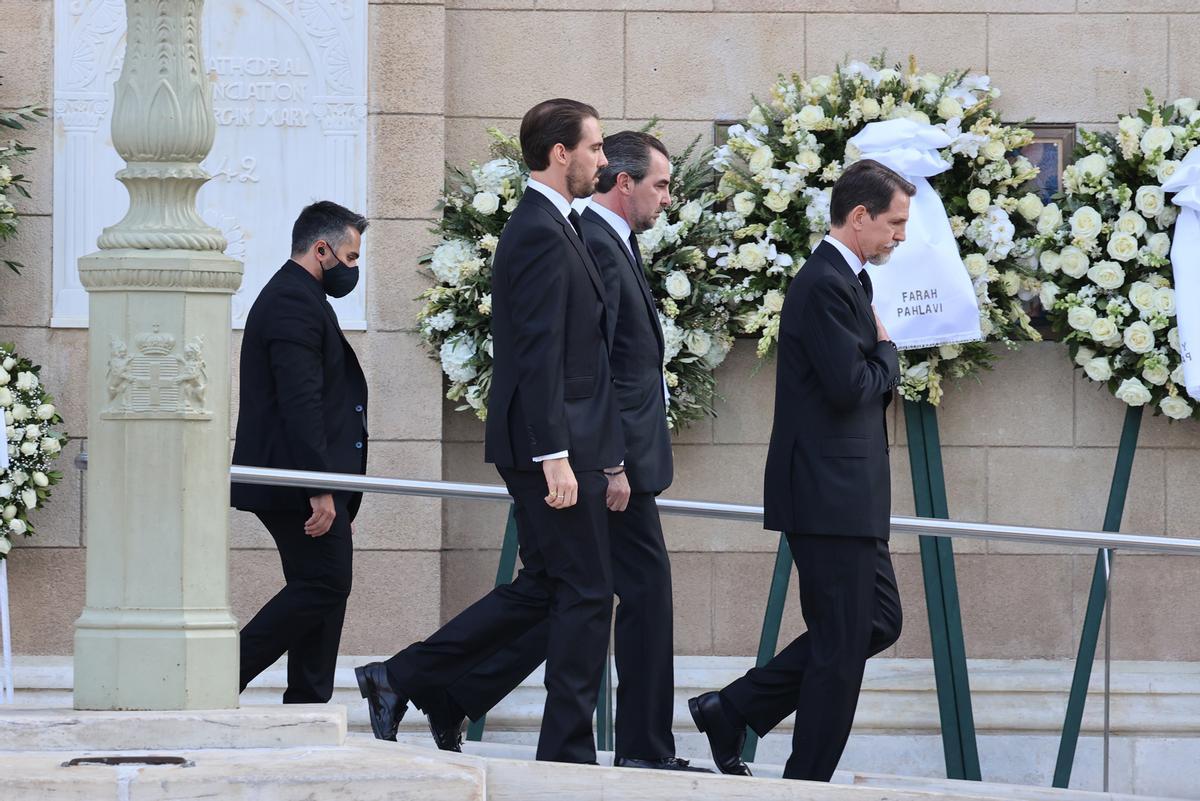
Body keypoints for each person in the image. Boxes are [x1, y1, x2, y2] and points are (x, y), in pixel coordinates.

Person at [422, 131, 706, 772]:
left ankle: (448, 690)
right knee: (595, 594)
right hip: (599, 455)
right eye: (660, 184)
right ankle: (630, 748)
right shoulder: (586, 237)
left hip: (602, 452)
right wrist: (611, 463)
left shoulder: (603, 236)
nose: (668, 197)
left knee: (575, 592)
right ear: (624, 183)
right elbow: (589, 363)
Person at [356, 98, 624, 766]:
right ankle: (565, 754)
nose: (602, 159)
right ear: (560, 153)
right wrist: (554, 455)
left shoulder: (557, 223)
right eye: (594, 147)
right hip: (551, 445)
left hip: (564, 440)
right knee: (587, 591)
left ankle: (418, 682)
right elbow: (536, 351)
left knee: (549, 586)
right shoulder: (537, 230)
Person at [688, 159, 911, 781]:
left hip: (846, 494)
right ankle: (807, 782)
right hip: (828, 493)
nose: (900, 236)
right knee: (841, 646)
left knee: (877, 623)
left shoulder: (848, 281)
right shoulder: (824, 283)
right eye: (894, 223)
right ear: (860, 216)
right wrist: (889, 351)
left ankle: (734, 708)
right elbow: (850, 386)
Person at [231, 200, 369, 704]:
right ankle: (220, 673)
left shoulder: (301, 295)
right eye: (350, 258)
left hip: (307, 479)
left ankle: (309, 703)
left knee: (321, 585)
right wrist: (319, 487)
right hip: (295, 482)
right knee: (325, 583)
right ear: (321, 250)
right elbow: (300, 402)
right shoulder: (292, 300)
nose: (352, 269)